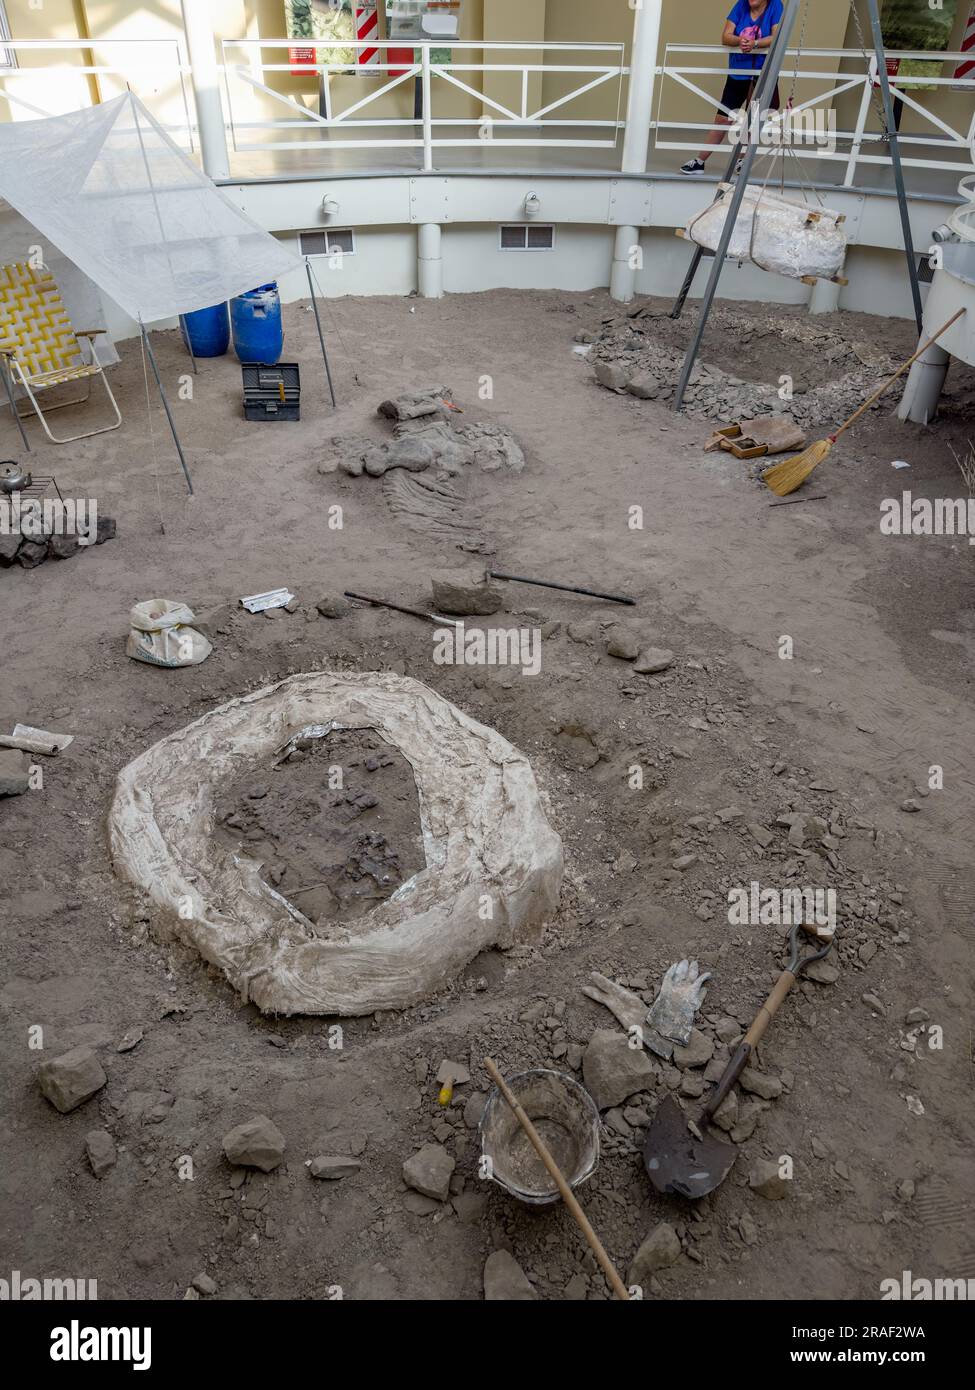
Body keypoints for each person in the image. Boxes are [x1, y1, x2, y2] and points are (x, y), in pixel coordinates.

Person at [681, 0, 784, 174]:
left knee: (754, 118)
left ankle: (742, 161)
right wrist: (741, 40)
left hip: (762, 73)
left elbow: (777, 36)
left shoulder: (775, 5)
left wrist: (755, 43)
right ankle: (700, 161)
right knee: (723, 118)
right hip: (738, 71)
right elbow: (726, 36)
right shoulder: (741, 5)